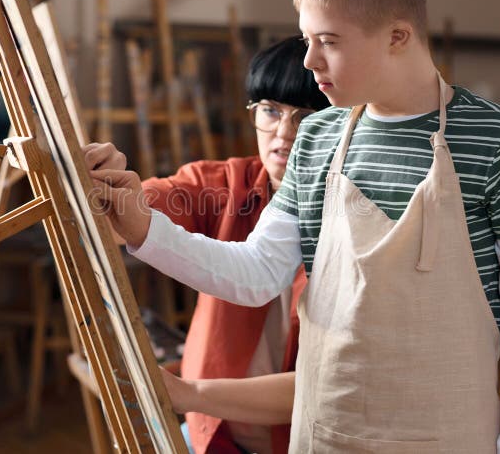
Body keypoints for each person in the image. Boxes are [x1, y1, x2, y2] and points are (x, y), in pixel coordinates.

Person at [89, 0, 500, 453]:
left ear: (398, 36)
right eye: (307, 38)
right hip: (325, 434)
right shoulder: (320, 137)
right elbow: (255, 274)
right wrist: (141, 227)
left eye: (329, 42)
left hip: (448, 436)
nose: (310, 60)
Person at [85, 36, 329, 454]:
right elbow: (120, 220)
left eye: (306, 116)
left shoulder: (353, 220)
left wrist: (188, 392)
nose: (284, 133)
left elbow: (323, 388)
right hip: (211, 435)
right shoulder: (221, 185)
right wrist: (101, 186)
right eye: (270, 110)